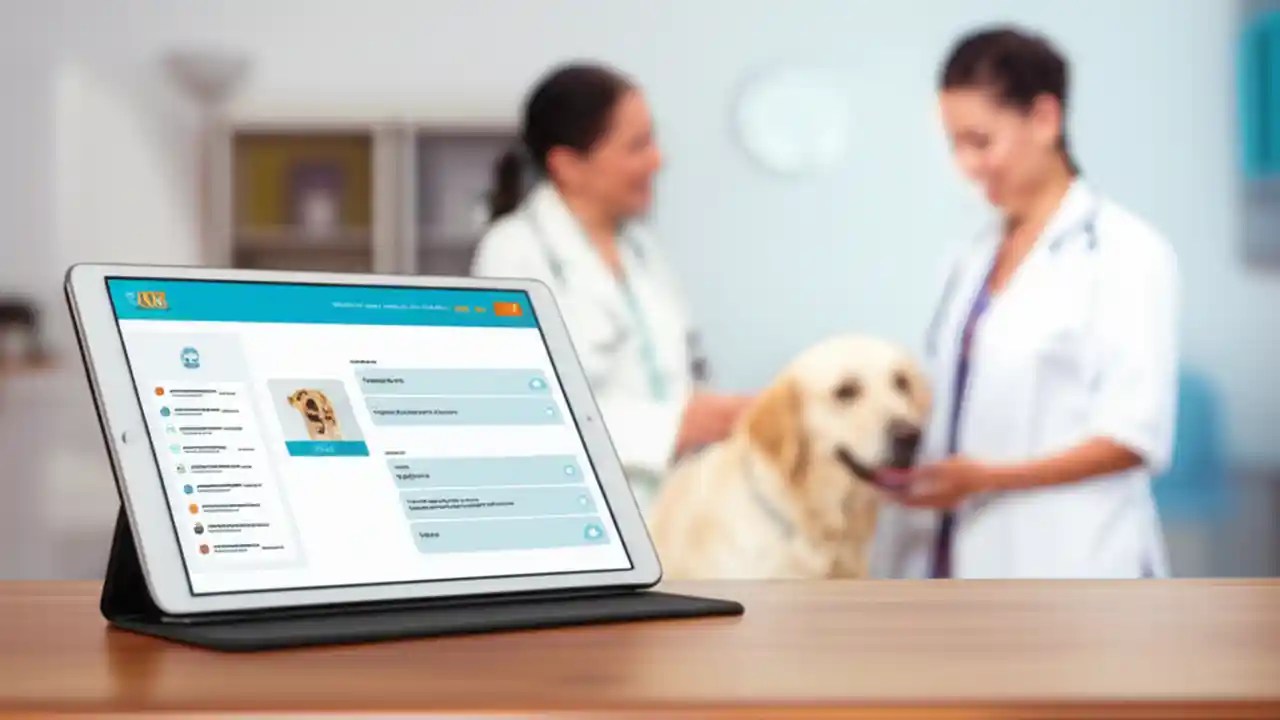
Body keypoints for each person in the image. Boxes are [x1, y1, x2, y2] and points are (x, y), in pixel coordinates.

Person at [871, 28, 1179, 578]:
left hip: (1075, 563)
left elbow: (1132, 438)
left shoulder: (1127, 252)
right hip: (960, 559)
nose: (966, 165)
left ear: (1044, 119)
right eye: (954, 145)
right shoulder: (970, 257)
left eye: (981, 141)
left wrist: (986, 478)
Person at [473, 63, 751, 509]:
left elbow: (675, 374)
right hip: (579, 511)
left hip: (673, 508)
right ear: (567, 165)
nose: (657, 160)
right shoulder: (513, 252)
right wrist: (673, 426)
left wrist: (721, 412)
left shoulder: (644, 251)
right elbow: (516, 411)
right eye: (636, 146)